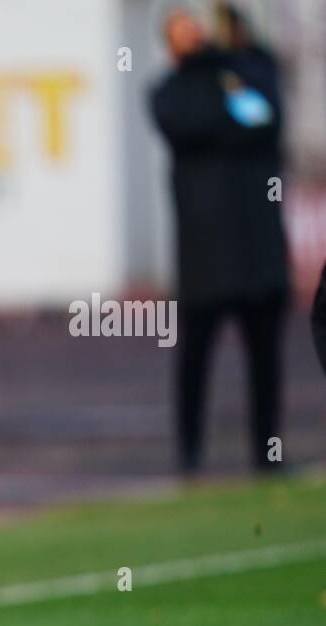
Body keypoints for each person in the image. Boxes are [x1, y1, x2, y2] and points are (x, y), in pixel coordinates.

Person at [151, 7, 288, 474]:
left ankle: (267, 455)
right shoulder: (167, 92)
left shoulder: (248, 70)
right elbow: (197, 124)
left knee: (267, 358)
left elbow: (267, 119)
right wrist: (218, 80)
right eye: (184, 35)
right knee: (195, 359)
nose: (196, 40)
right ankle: (189, 458)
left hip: (259, 250)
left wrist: (228, 66)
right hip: (205, 257)